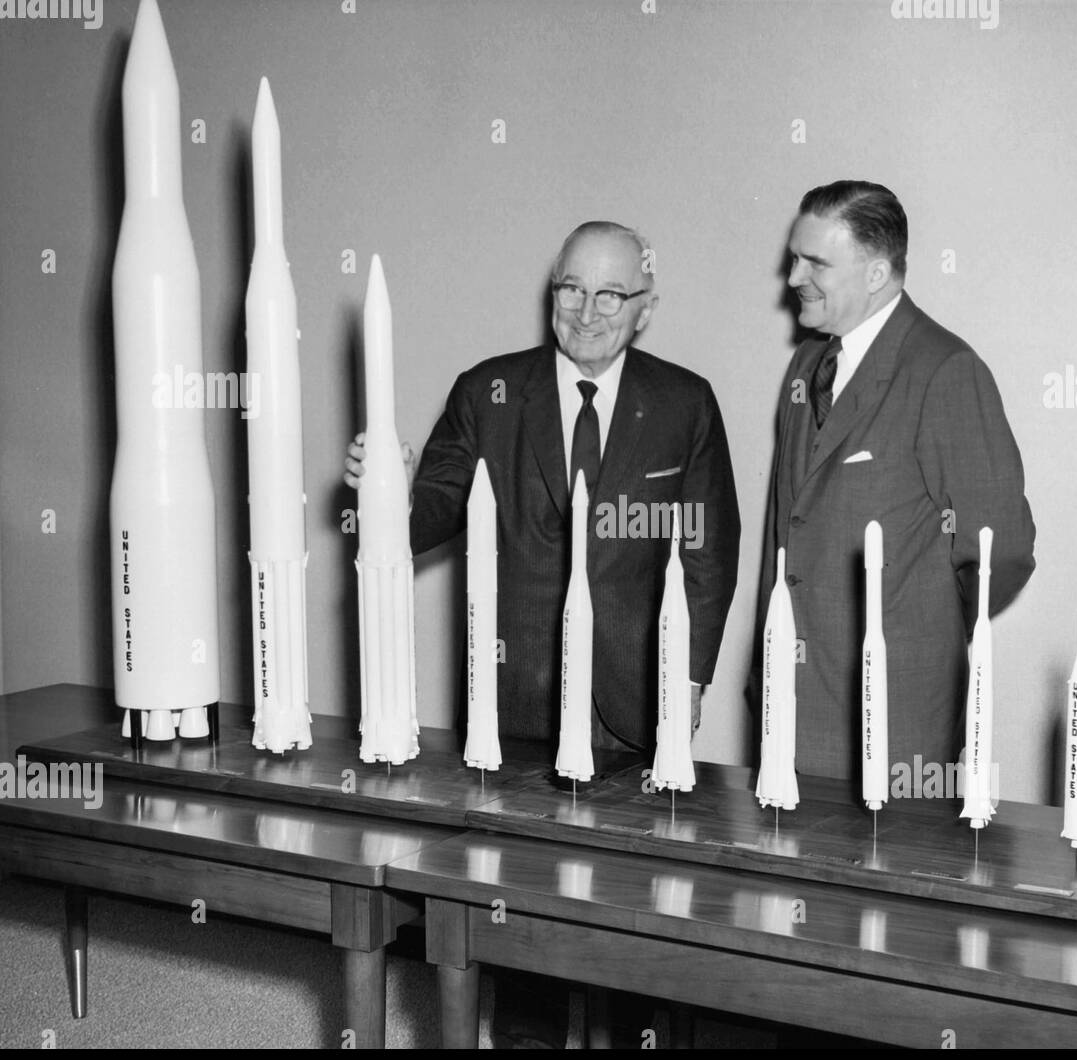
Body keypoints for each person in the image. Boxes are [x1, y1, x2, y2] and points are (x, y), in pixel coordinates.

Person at [345, 220, 741, 750]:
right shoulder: (488, 393)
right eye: (572, 289)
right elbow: (424, 520)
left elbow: (707, 554)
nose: (586, 313)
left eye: (610, 296)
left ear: (646, 309)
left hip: (638, 709)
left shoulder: (685, 403)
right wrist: (389, 491)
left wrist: (687, 680)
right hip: (509, 707)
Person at [755, 181, 1035, 782]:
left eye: (815, 263)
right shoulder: (808, 364)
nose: (794, 277)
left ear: (877, 272)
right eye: (794, 258)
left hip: (898, 720)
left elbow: (1000, 549)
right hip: (791, 706)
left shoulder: (947, 371)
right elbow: (789, 531)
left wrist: (923, 624)